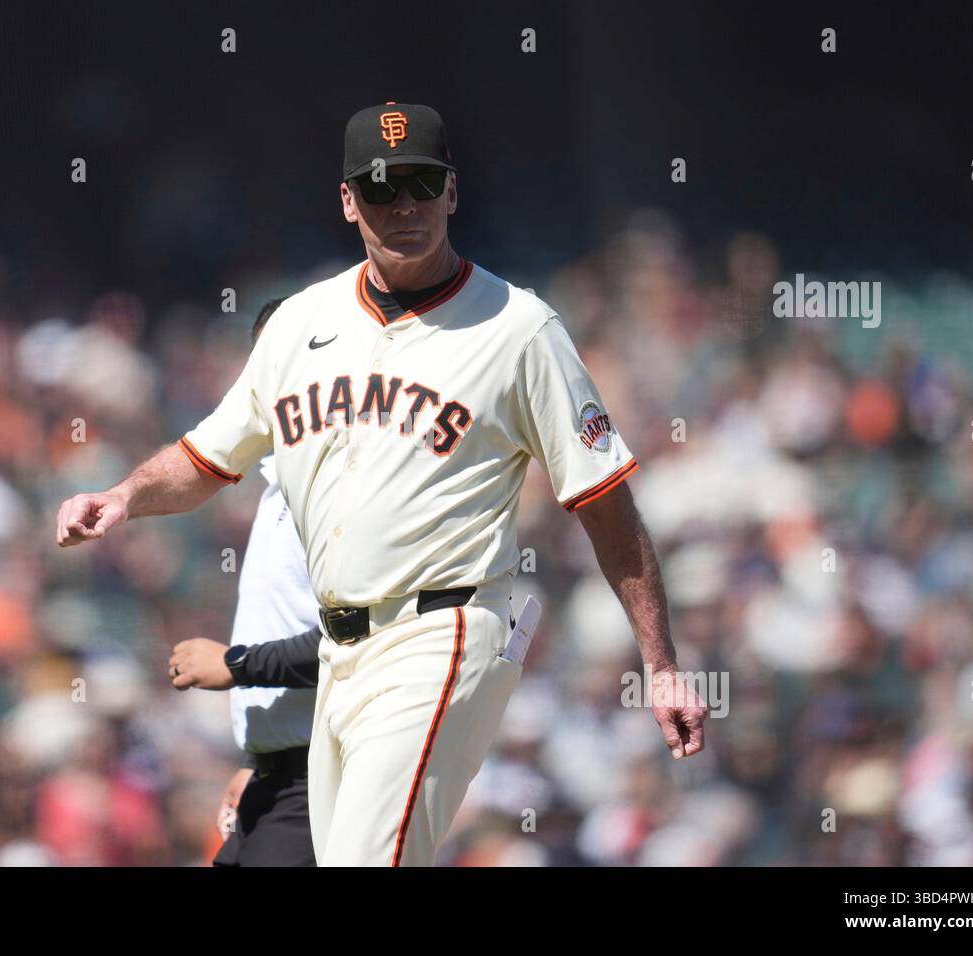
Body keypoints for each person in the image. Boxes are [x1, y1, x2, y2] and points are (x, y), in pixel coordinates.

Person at [55, 101, 706, 867]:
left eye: (422, 185)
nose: (404, 206)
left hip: (444, 630)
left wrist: (660, 665)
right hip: (339, 655)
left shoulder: (520, 330)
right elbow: (204, 460)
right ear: (347, 200)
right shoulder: (300, 323)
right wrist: (127, 495)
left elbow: (606, 504)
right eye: (381, 188)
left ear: (452, 193)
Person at [167, 298, 322, 867]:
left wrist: (236, 666)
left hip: (329, 778)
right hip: (282, 775)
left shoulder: (342, 494)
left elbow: (367, 640)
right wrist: (263, 760)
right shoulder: (277, 481)